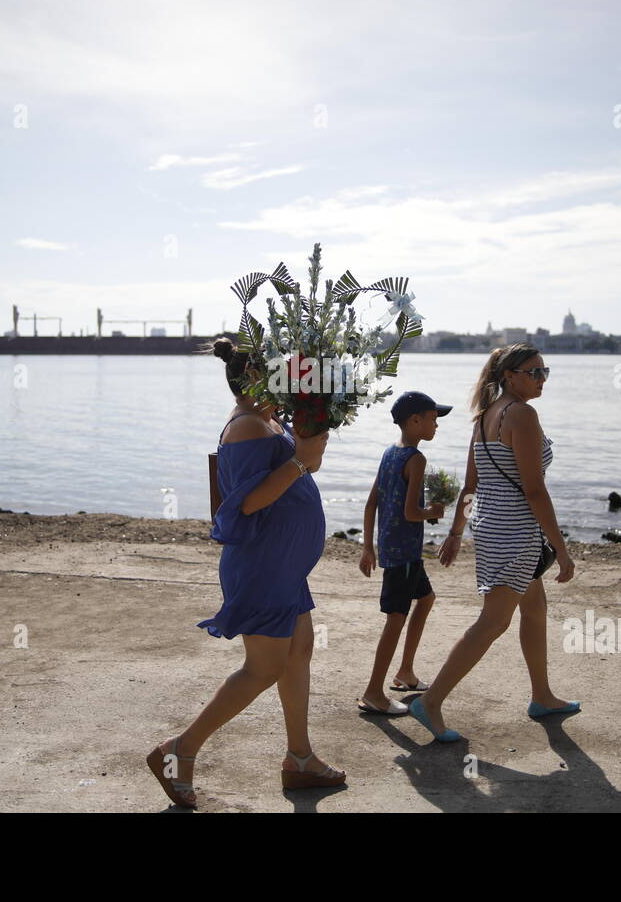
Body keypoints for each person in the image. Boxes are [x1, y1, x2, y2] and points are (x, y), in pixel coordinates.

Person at [146, 337, 345, 807]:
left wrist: (306, 444)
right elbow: (250, 502)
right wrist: (302, 461)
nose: (290, 378)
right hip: (263, 565)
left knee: (298, 654)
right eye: (280, 372)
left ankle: (300, 758)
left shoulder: (266, 419)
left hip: (283, 566)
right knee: (264, 667)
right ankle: (180, 750)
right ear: (258, 377)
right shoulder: (248, 427)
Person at [408, 344, 579, 743]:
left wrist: (456, 533)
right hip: (515, 532)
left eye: (545, 371)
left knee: (534, 610)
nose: (541, 379)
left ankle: (542, 695)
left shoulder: (484, 417)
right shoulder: (521, 414)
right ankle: (430, 701)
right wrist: (563, 549)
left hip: (491, 528)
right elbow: (535, 490)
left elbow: (472, 486)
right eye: (533, 372)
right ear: (509, 376)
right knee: (494, 621)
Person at [357, 391, 453, 715]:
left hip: (395, 549)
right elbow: (412, 513)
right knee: (395, 620)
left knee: (425, 600)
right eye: (432, 418)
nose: (436, 425)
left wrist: (368, 546)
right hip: (404, 555)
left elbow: (373, 503)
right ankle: (373, 692)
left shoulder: (389, 452)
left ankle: (405, 673)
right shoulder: (416, 458)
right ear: (414, 421)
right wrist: (435, 510)